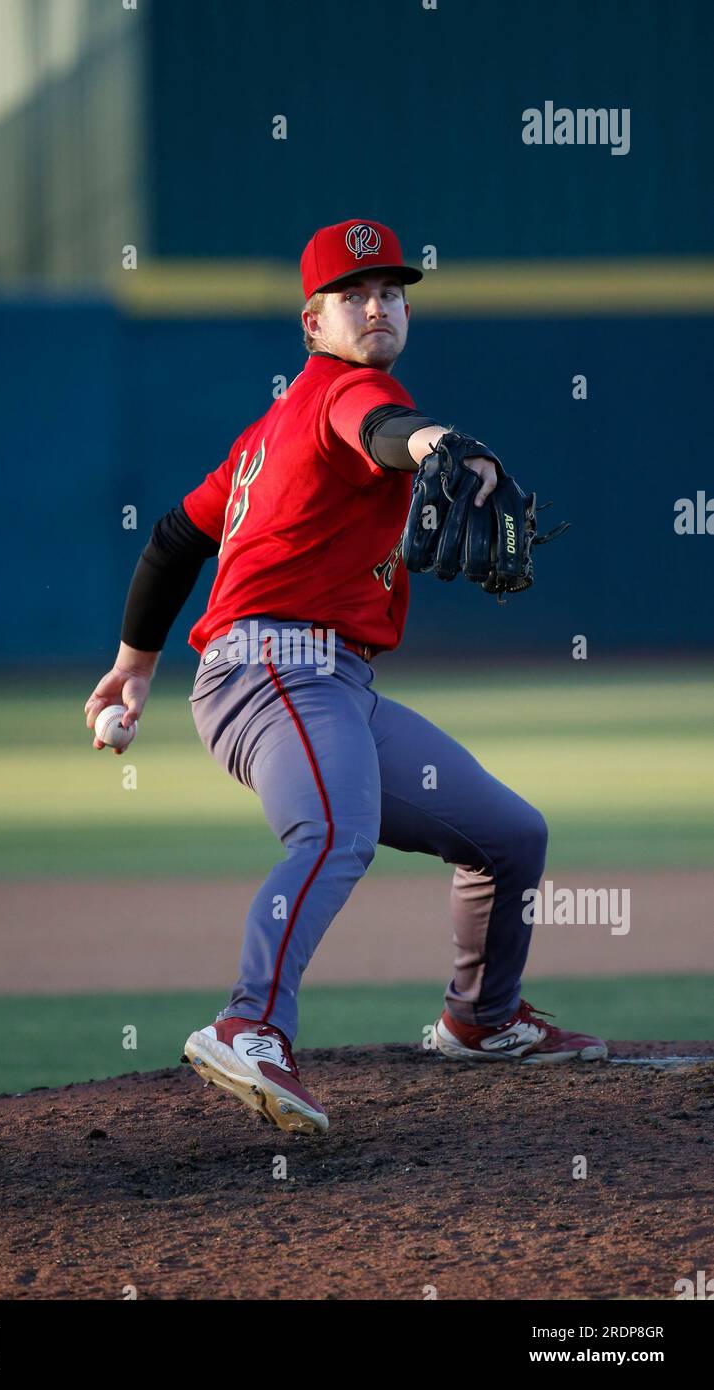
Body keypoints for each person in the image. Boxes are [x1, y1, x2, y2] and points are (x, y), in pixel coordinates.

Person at [84, 219, 607, 1137]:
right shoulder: (342, 392)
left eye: (392, 292)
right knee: (332, 831)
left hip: (332, 684)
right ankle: (248, 1023)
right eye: (354, 295)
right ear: (312, 323)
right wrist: (440, 439)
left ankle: (480, 1020)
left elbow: (174, 538)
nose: (377, 307)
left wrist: (132, 667)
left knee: (510, 836)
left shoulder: (263, 435)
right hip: (272, 667)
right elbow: (384, 430)